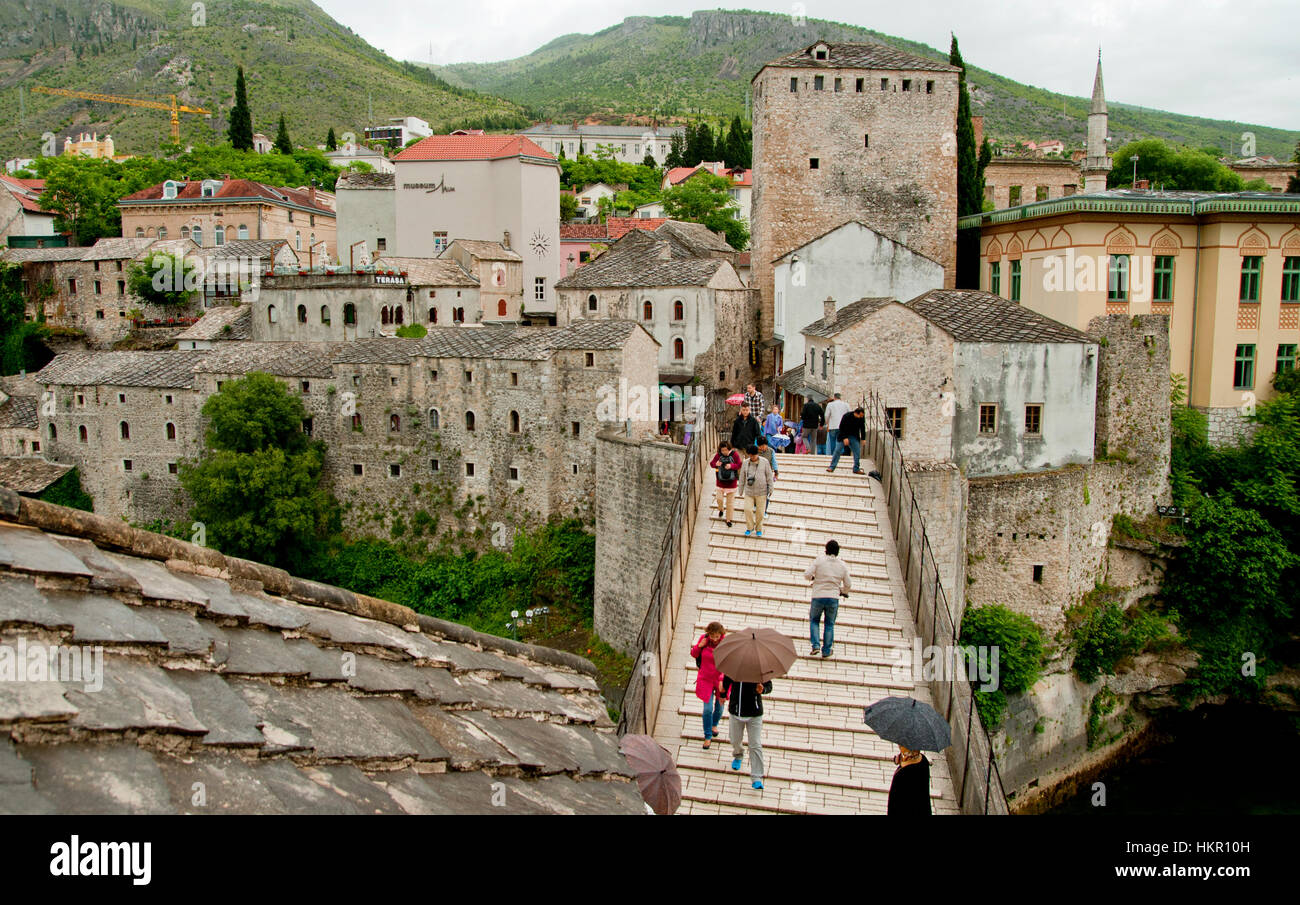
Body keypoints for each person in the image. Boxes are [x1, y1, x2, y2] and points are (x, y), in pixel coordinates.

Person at [722, 672, 773, 790]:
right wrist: (722, 692)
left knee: (755, 744)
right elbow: (726, 681)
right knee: (734, 739)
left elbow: (769, 686)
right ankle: (738, 754)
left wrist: (763, 689)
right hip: (736, 712)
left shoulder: (759, 669)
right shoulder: (735, 666)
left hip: (754, 714)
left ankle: (757, 777)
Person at [804, 539, 851, 658]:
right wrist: (843, 591)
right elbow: (848, 584)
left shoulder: (820, 560)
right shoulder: (842, 564)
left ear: (826, 550)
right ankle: (826, 650)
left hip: (818, 595)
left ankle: (815, 646)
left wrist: (813, 579)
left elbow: (807, 574)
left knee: (814, 620)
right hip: (833, 597)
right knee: (829, 624)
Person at [689, 622, 728, 748]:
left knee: (720, 707)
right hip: (705, 678)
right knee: (707, 709)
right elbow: (694, 654)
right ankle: (707, 735)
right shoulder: (704, 639)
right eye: (712, 636)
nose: (714, 639)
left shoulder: (725, 644)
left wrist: (722, 680)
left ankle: (714, 724)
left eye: (717, 636)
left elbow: (729, 664)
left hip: (720, 679)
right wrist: (699, 646)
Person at [736, 443, 774, 537]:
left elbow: (769, 476)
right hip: (749, 491)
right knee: (747, 509)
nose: (752, 457)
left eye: (754, 455)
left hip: (762, 492)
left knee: (760, 512)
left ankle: (759, 529)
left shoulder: (764, 462)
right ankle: (750, 527)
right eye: (750, 455)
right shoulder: (746, 463)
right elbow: (742, 477)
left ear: (757, 453)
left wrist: (771, 489)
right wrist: (740, 489)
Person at [887, 745, 932, 815]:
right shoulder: (923, 760)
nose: (899, 747)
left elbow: (894, 804)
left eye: (901, 746)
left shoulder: (902, 774)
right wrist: (902, 761)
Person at [710, 441, 741, 527]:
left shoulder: (734, 454)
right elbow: (711, 464)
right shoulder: (718, 455)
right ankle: (721, 509)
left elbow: (739, 464)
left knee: (730, 503)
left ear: (729, 449)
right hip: (720, 482)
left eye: (726, 450)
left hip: (731, 482)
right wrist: (716, 464)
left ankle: (728, 519)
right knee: (719, 499)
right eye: (722, 450)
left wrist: (731, 466)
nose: (724, 452)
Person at [829, 405, 866, 474]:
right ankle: (832, 467)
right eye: (860, 416)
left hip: (854, 436)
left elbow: (862, 428)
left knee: (857, 452)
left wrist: (863, 438)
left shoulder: (861, 418)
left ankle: (856, 468)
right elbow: (841, 427)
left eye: (862, 416)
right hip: (843, 436)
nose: (861, 417)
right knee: (837, 451)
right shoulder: (847, 416)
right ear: (856, 413)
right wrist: (845, 438)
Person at [755, 437, 778, 514]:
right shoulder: (755, 452)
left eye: (763, 446)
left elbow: (774, 462)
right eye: (760, 446)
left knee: (767, 493)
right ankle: (756, 505)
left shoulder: (771, 451)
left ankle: (764, 510)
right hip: (757, 476)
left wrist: (776, 472)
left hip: (767, 475)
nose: (762, 448)